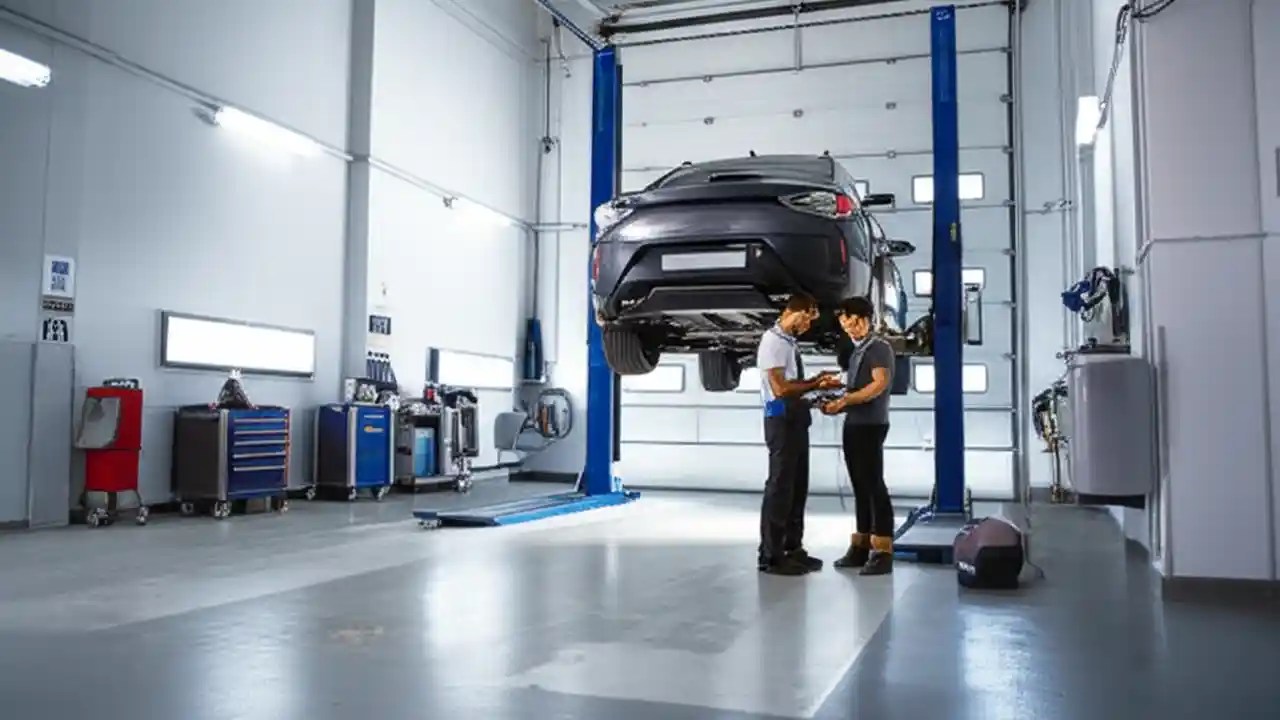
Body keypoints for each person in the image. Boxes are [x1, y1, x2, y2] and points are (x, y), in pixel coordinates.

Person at [756, 293, 843, 576]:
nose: (809, 326)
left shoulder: (788, 342)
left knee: (797, 487)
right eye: (809, 319)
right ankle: (771, 555)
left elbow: (794, 384)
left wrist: (817, 392)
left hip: (795, 418)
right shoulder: (772, 341)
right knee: (780, 487)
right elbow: (780, 388)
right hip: (780, 419)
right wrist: (816, 382)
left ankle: (793, 548)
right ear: (800, 312)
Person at [821, 297, 896, 576]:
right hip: (855, 423)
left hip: (870, 425)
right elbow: (857, 383)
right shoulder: (857, 350)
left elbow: (879, 384)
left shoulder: (878, 347)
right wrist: (836, 391)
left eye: (854, 322)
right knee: (860, 486)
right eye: (845, 324)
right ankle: (862, 544)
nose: (850, 328)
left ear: (866, 318)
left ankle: (883, 549)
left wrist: (845, 401)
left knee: (874, 484)